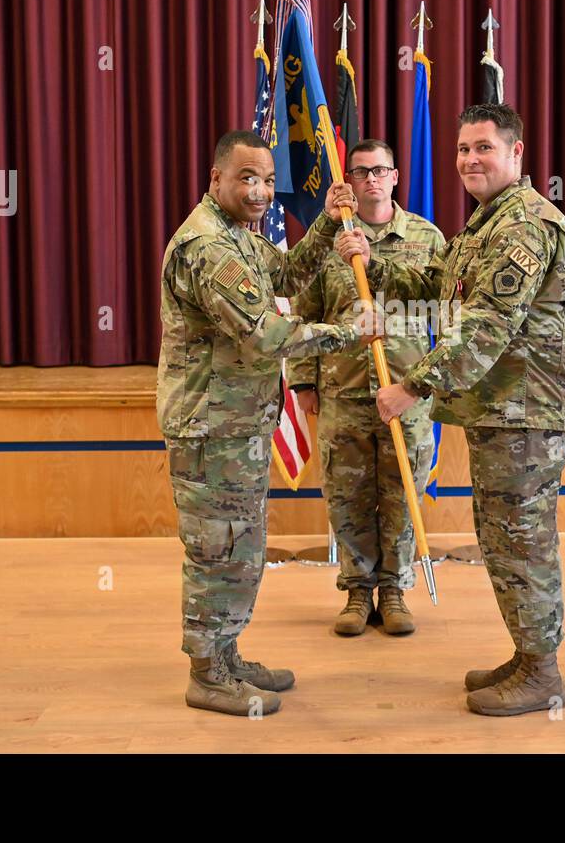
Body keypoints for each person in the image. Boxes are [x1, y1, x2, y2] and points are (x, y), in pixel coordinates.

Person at [338, 103, 565, 717]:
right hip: (499, 410)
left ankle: (542, 672)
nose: (470, 160)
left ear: (516, 151)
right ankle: (527, 656)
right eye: (462, 149)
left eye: (484, 148)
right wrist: (369, 259)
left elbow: (485, 327)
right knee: (503, 540)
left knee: (523, 543)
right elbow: (437, 285)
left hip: (527, 413)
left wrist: (412, 387)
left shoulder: (524, 226)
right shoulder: (483, 226)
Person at [157, 130, 378, 716]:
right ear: (216, 180)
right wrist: (348, 332)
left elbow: (285, 276)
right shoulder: (209, 249)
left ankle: (225, 656)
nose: (258, 191)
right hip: (212, 429)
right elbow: (267, 335)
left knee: (240, 547)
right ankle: (207, 673)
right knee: (217, 550)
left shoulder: (238, 237)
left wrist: (328, 224)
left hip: (235, 427)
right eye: (245, 178)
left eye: (266, 180)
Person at [289, 139, 444, 636]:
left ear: (396, 176)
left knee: (402, 492)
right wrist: (302, 381)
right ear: (348, 183)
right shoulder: (328, 239)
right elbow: (304, 311)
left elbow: (440, 306)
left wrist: (375, 264)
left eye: (381, 170)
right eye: (361, 172)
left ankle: (395, 589)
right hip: (343, 388)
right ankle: (357, 591)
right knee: (347, 495)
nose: (372, 179)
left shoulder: (425, 235)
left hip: (404, 390)